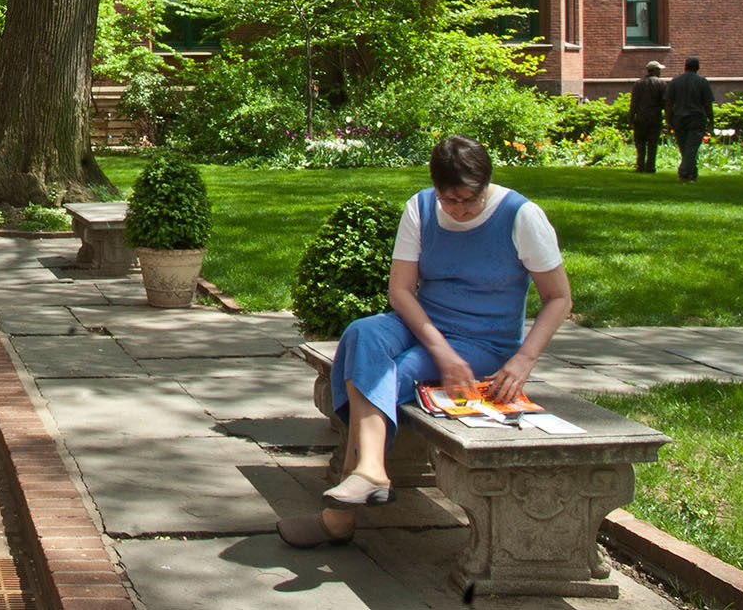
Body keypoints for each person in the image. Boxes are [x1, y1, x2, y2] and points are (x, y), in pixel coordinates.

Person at [276, 135, 573, 549]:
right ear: (436, 188)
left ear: (487, 184)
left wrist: (524, 359)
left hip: (483, 342)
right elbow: (400, 291)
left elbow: (559, 298)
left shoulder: (521, 216)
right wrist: (441, 351)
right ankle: (370, 472)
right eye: (450, 200)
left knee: (394, 372)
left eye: (471, 199)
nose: (461, 209)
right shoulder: (420, 208)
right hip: (424, 325)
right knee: (362, 332)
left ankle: (343, 512)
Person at [665, 56, 715, 183]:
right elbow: (707, 104)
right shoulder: (702, 82)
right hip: (696, 119)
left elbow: (669, 104)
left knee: (685, 148)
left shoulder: (675, 81)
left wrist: (668, 121)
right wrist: (711, 121)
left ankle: (692, 173)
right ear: (697, 67)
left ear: (685, 66)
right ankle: (684, 173)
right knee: (691, 148)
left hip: (679, 119)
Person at [629, 60, 668, 172]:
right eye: (659, 70)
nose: (660, 72)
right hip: (655, 117)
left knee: (640, 142)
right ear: (655, 70)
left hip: (641, 117)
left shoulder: (638, 84)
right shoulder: (661, 84)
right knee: (652, 143)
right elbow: (665, 103)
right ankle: (650, 166)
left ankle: (640, 165)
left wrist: (631, 119)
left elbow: (634, 103)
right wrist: (668, 118)